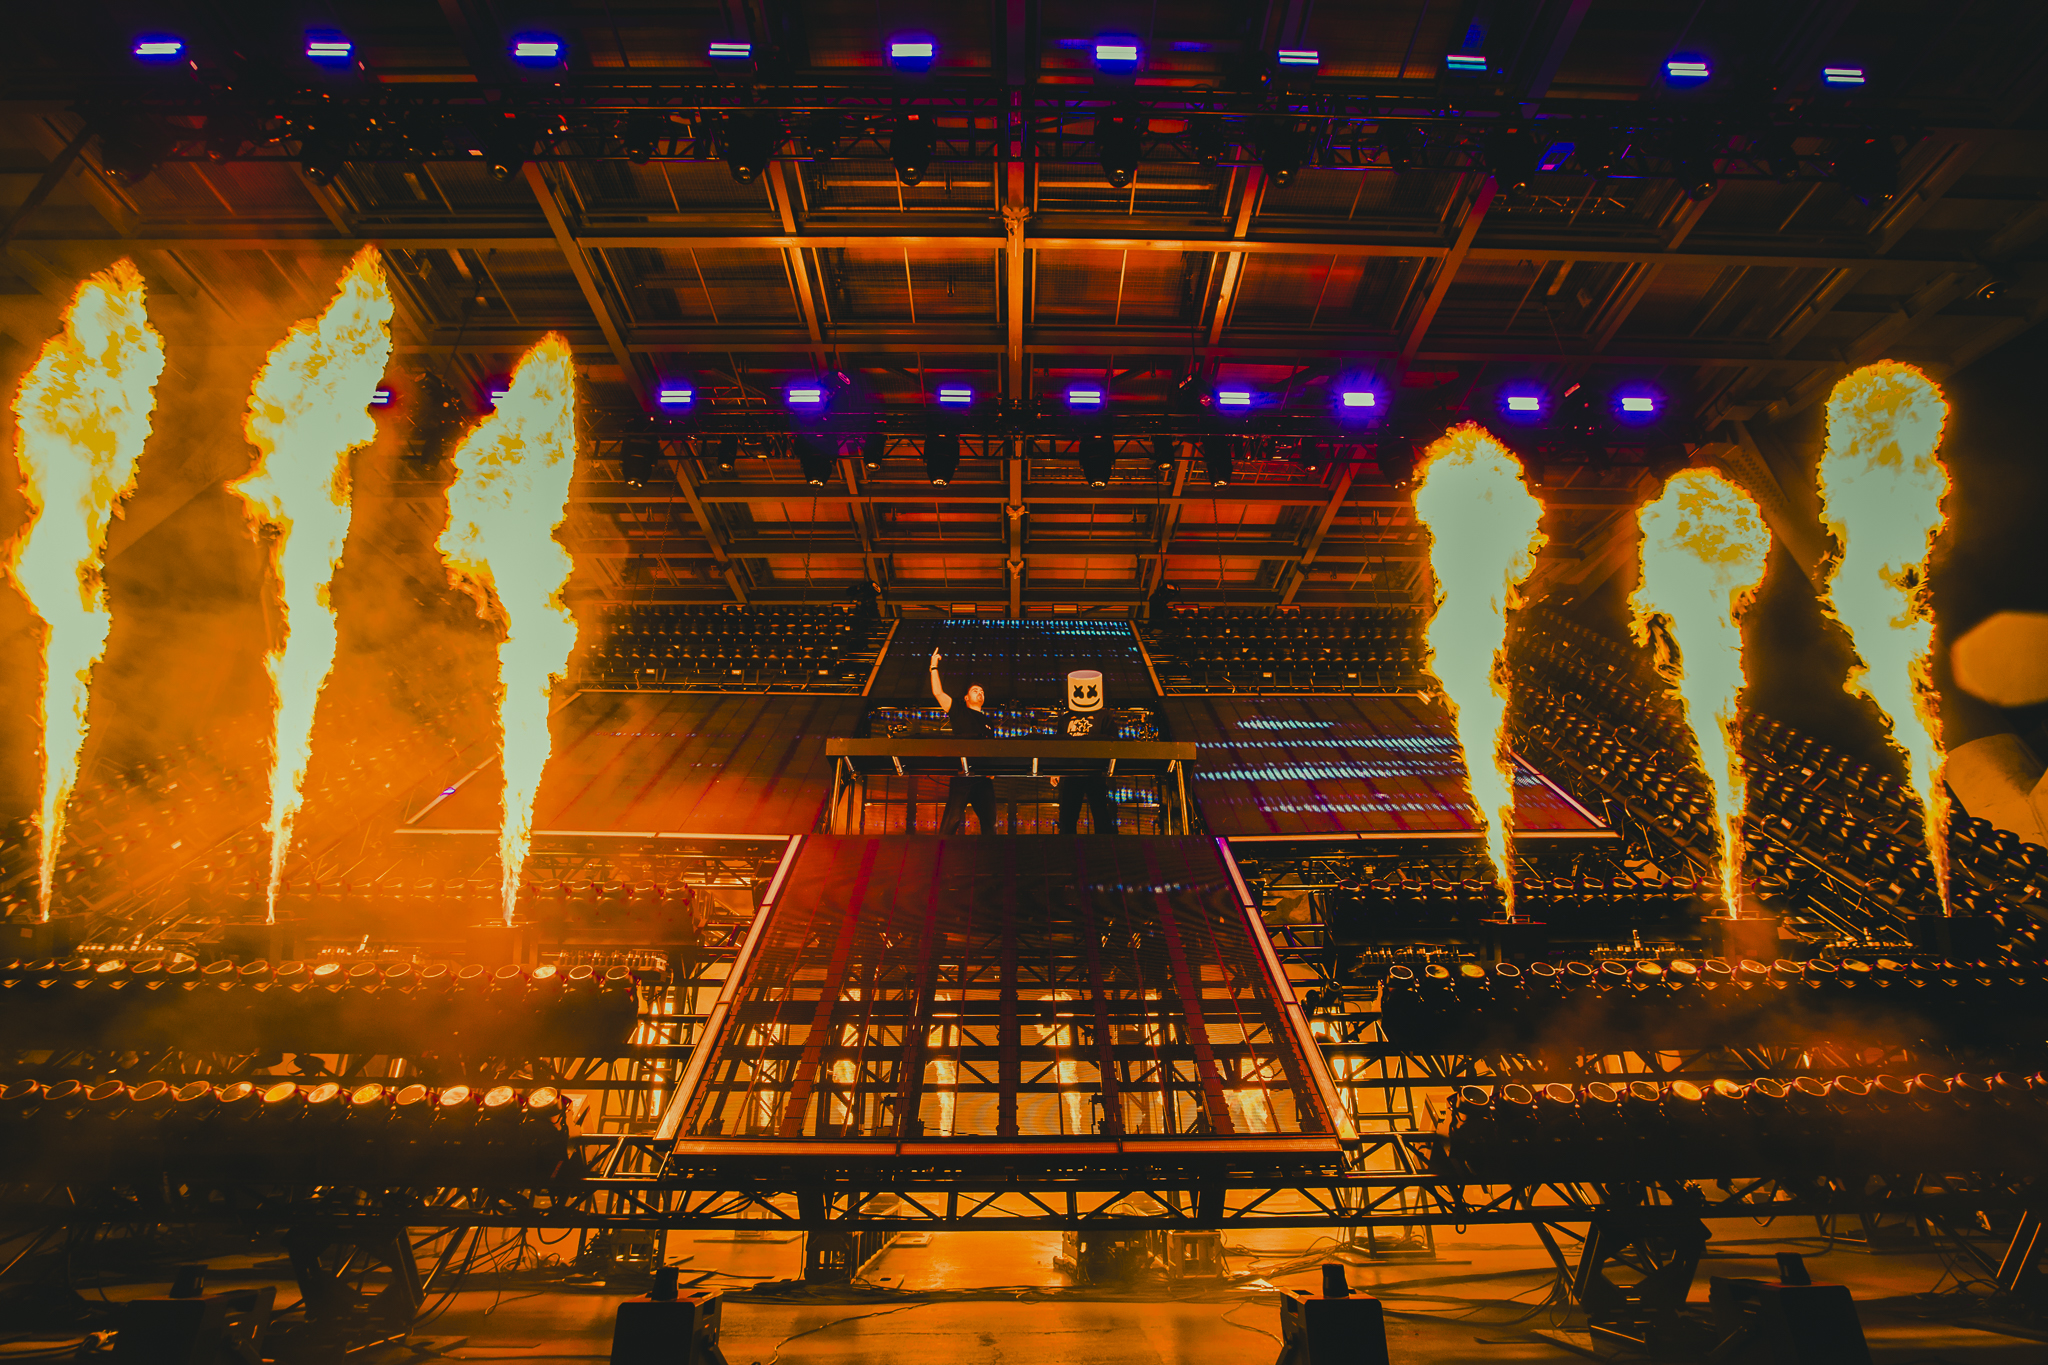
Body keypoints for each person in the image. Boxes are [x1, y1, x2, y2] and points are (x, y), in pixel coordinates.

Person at [929, 648, 997, 835]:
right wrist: (933, 666)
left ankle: (991, 858)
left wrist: (993, 771)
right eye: (975, 691)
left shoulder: (989, 722)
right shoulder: (958, 710)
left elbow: (993, 749)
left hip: (983, 777)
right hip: (963, 773)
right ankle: (941, 855)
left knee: (990, 821)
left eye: (982, 691)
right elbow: (938, 692)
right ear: (967, 697)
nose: (980, 693)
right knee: (953, 818)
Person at [1050, 668, 1118, 835]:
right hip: (1071, 772)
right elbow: (1058, 745)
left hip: (1097, 772)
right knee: (1068, 816)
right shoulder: (1065, 718)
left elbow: (1114, 742)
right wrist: (1054, 770)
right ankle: (1067, 851)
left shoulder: (1104, 717)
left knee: (1101, 813)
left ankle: (1105, 849)